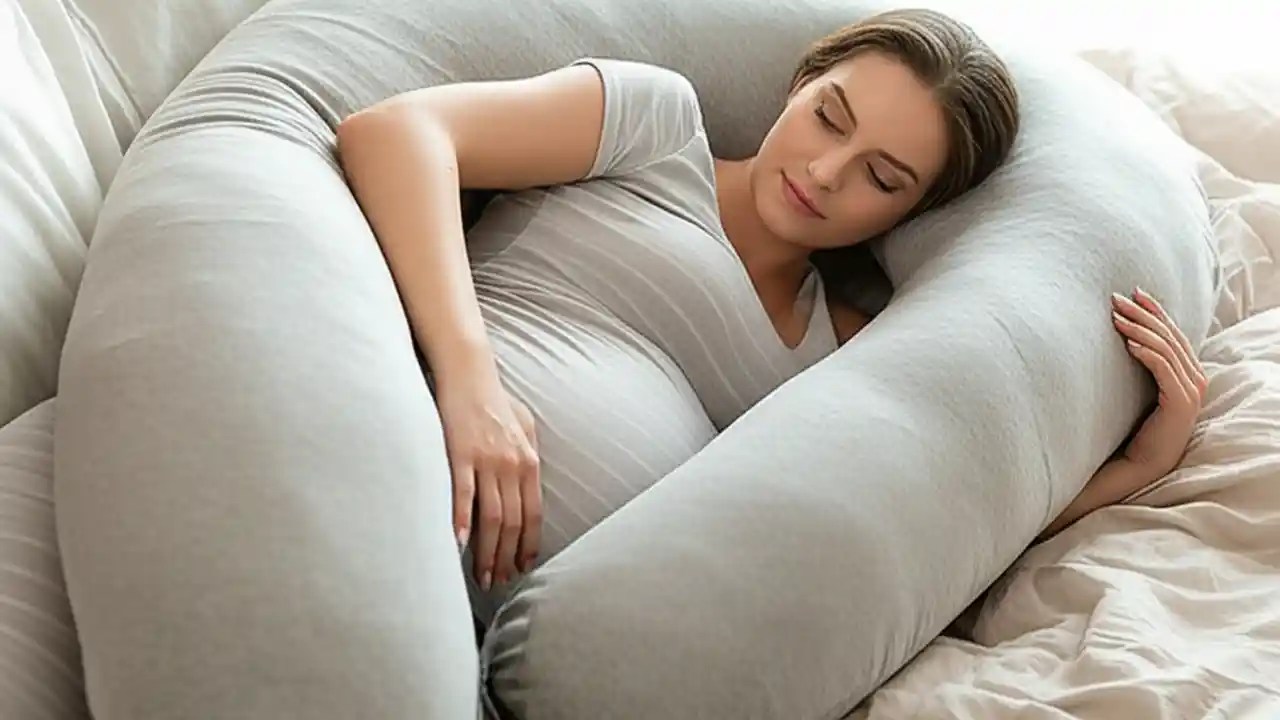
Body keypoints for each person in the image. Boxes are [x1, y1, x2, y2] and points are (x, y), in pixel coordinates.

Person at [335, 9, 1205, 616]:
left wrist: (1137, 470)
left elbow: (938, 514)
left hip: (529, 631)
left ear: (912, 213)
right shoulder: (652, 129)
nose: (826, 173)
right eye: (830, 118)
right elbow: (396, 134)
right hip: (397, 473)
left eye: (881, 177)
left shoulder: (845, 349)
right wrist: (471, 381)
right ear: (800, 84)